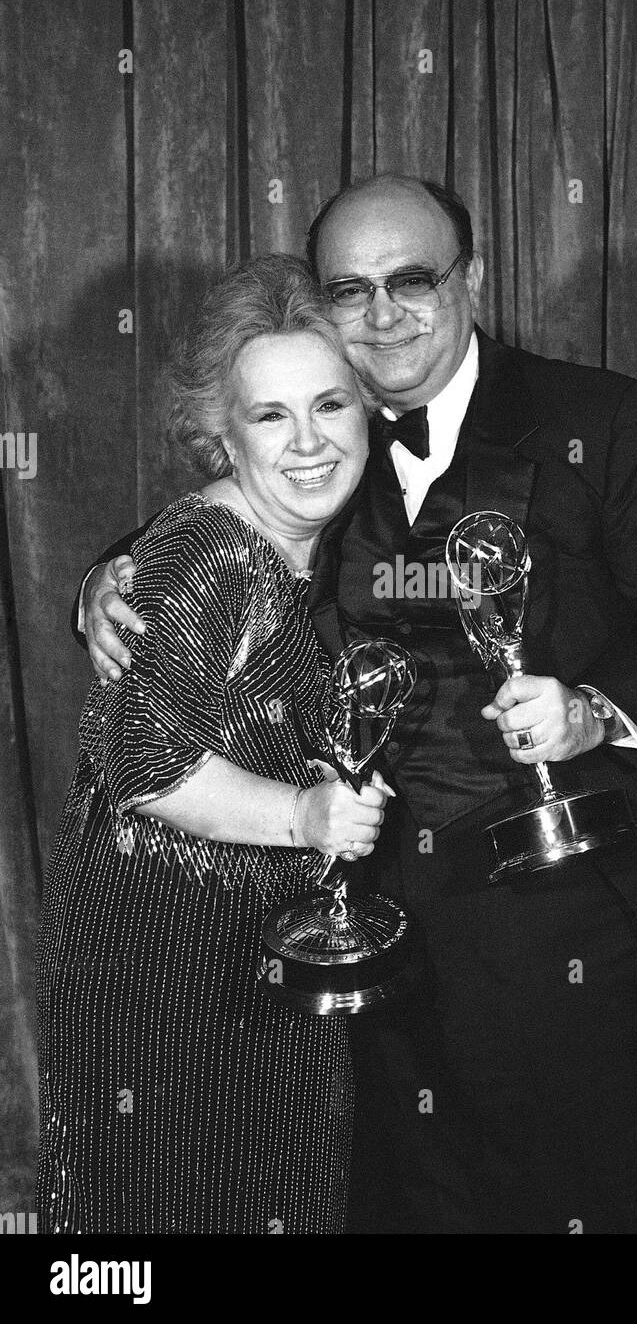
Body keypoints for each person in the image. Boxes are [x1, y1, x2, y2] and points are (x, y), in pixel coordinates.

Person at [78, 175, 637, 1234]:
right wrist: (103, 580)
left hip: (570, 901)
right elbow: (212, 530)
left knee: (577, 1197)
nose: (384, 314)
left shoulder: (602, 419)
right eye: (350, 291)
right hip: (374, 904)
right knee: (403, 1200)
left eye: (413, 280)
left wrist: (594, 705)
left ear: (472, 281)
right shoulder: (325, 427)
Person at [39, 254, 390, 1234]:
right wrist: (307, 813)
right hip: (168, 971)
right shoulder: (217, 553)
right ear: (219, 433)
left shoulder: (285, 543)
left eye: (331, 404)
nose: (310, 441)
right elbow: (143, 764)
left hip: (238, 949)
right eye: (272, 415)